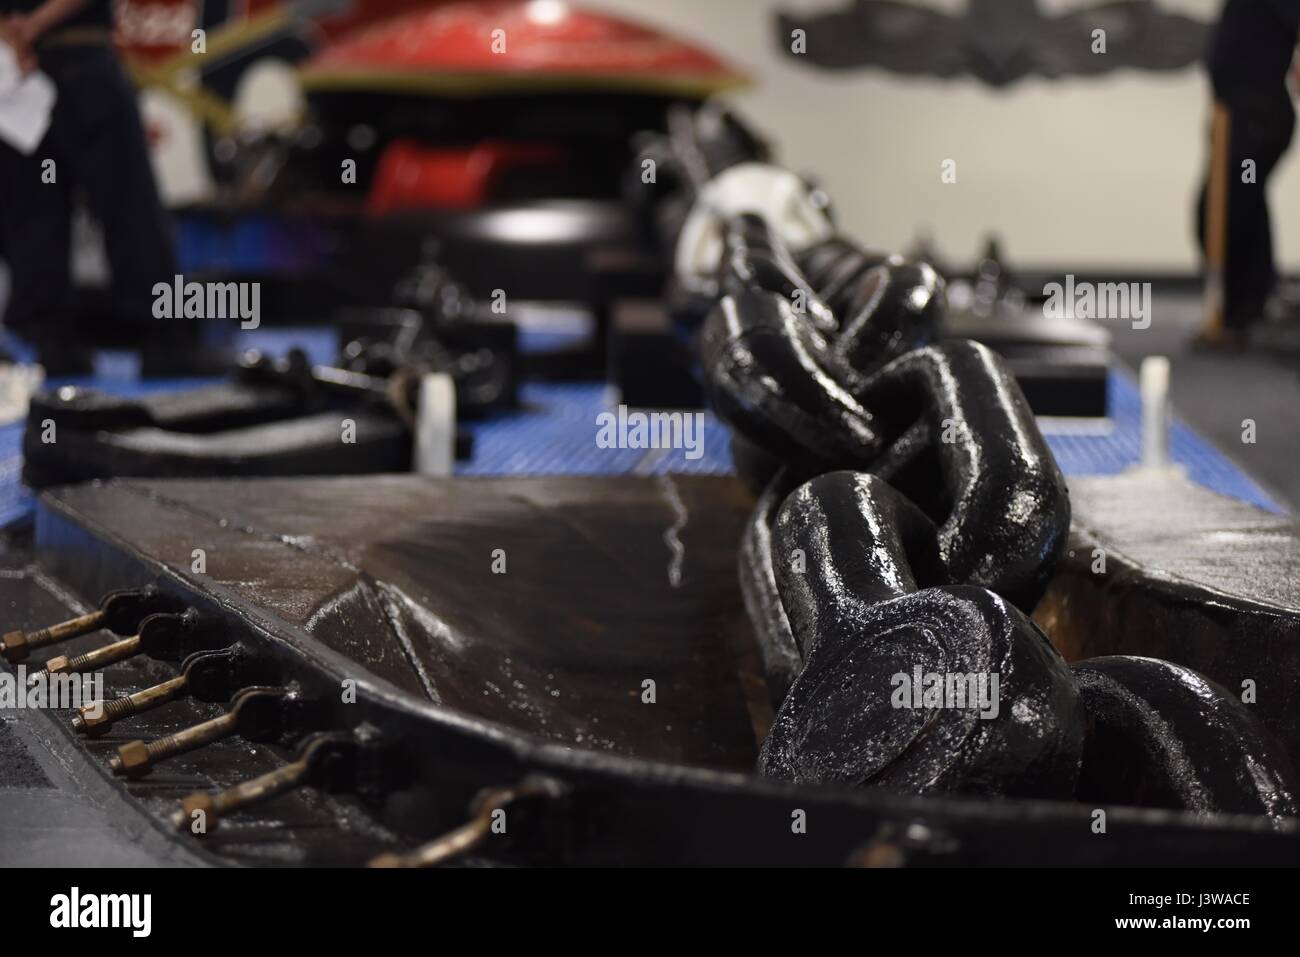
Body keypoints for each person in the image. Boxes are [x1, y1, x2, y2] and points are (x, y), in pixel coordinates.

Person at [0, 0, 175, 370]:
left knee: (36, 207)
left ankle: (51, 341)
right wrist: (32, 27)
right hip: (73, 55)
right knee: (127, 202)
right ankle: (163, 338)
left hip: (19, 67)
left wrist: (12, 37)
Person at [1196, 0, 1300, 349]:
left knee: (1234, 207)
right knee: (1241, 205)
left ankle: (1242, 312)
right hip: (1238, 114)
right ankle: (1249, 307)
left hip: (1258, 116)